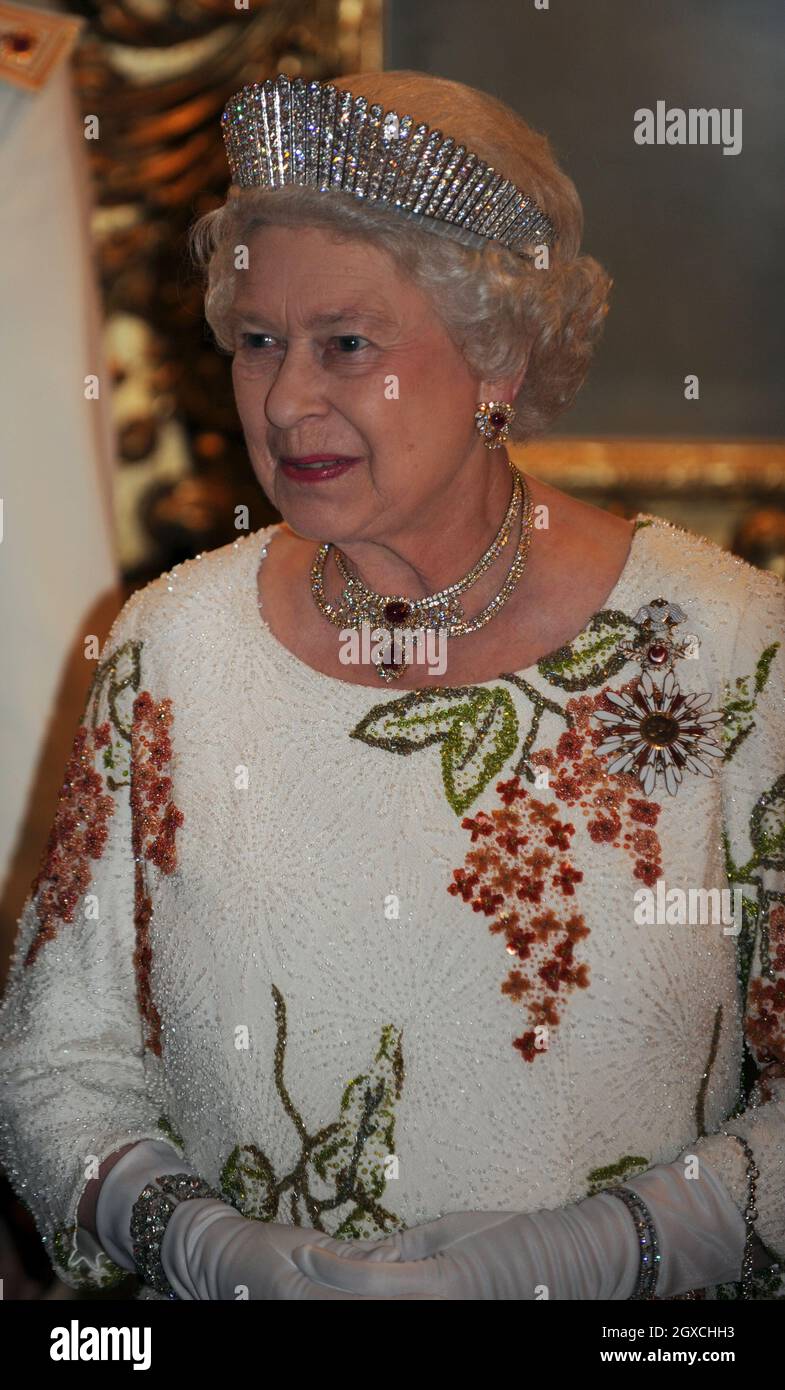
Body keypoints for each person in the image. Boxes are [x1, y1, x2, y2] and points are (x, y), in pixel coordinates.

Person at [0, 69, 783, 1301]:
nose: (287, 397)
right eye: (258, 343)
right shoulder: (168, 649)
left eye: (346, 345)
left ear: (498, 357)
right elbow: (57, 1073)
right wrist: (205, 1248)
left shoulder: (726, 648)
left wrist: (590, 1255)